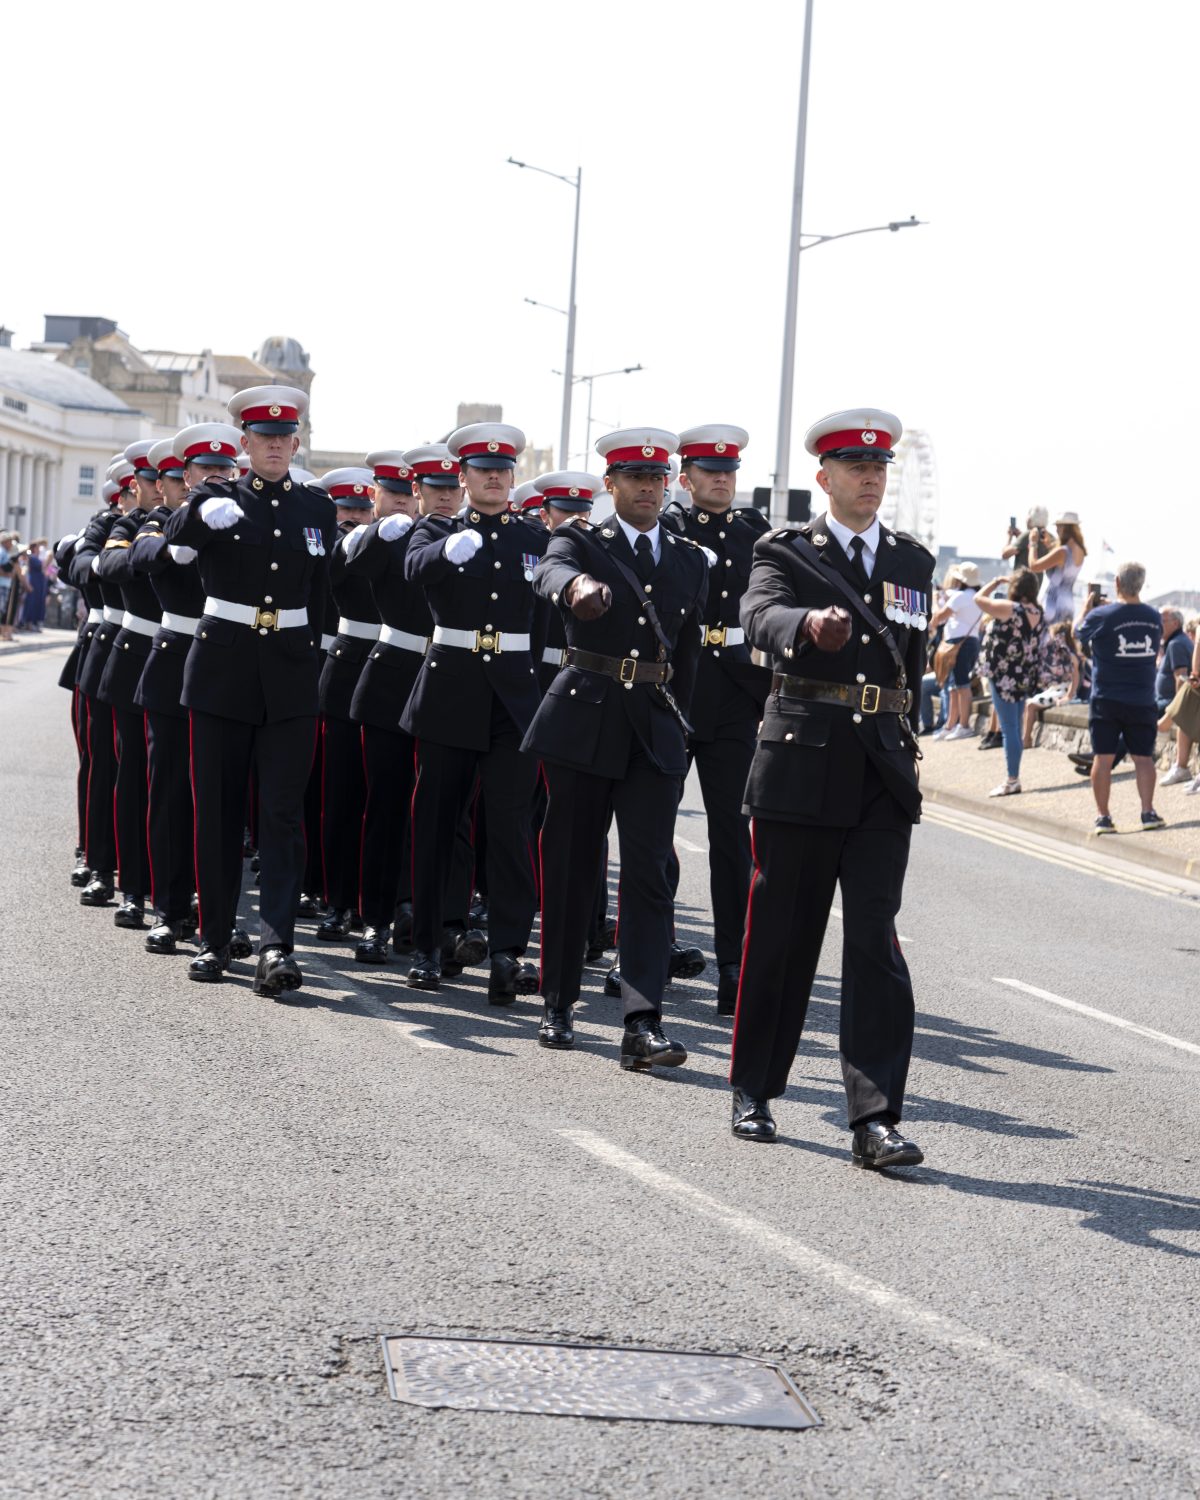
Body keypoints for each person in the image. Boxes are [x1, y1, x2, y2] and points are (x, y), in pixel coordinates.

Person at [729, 408, 932, 1169]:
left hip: (880, 769)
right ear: (825, 478)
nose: (871, 478)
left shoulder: (911, 560)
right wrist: (805, 624)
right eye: (855, 467)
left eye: (878, 467)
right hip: (803, 760)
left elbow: (910, 659)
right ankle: (755, 1089)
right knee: (784, 932)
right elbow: (757, 614)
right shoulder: (785, 550)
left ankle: (875, 1119)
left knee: (875, 941)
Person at [526, 428, 707, 1066]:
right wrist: (574, 589)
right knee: (572, 863)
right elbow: (550, 571)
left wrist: (682, 730)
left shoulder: (689, 559)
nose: (648, 489)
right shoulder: (579, 540)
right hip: (585, 716)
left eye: (658, 479)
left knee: (649, 875)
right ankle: (557, 1000)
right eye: (635, 479)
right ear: (611, 485)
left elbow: (685, 657)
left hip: (653, 727)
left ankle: (643, 1021)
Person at [163, 384, 337, 992]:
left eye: (284, 438)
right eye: (263, 438)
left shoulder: (314, 508)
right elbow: (172, 559)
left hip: (289, 674)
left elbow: (322, 595)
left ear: (295, 443)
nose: (274, 447)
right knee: (217, 810)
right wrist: (194, 517)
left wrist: (314, 657)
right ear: (245, 443)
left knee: (282, 816)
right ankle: (214, 938)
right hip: (222, 671)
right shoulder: (215, 498)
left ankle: (277, 946)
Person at [401, 421, 548, 1001]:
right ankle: (434, 943)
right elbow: (413, 571)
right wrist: (443, 550)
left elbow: (545, 618)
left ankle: (509, 951)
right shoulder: (435, 531)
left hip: (512, 696)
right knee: (440, 822)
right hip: (449, 689)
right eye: (483, 471)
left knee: (511, 827)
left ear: (513, 478)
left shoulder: (534, 538)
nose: (494, 478)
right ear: (462, 478)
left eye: (503, 470)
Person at [658, 424, 770, 1015]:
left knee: (733, 838)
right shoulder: (667, 530)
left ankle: (734, 964)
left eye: (729, 471)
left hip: (731, 695)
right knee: (654, 828)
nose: (722, 480)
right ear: (686, 479)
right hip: (674, 688)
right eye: (709, 471)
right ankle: (650, 948)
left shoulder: (755, 533)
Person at [129, 426, 246, 956]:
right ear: (178, 480)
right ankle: (170, 907)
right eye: (201, 473)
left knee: (228, 801)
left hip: (235, 666)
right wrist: (175, 546)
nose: (214, 479)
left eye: (225, 471)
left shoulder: (245, 518)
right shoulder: (162, 521)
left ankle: (220, 912)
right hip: (177, 660)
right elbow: (136, 555)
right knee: (172, 795)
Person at [94, 439, 169, 928]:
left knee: (177, 787)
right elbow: (108, 566)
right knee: (129, 777)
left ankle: (178, 892)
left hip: (190, 657)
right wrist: (154, 548)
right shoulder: (125, 526)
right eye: (154, 482)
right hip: (135, 652)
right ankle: (128, 883)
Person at [311, 467, 381, 941]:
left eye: (362, 508)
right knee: (337, 794)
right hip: (342, 664)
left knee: (384, 801)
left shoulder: (407, 540)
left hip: (402, 673)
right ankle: (334, 896)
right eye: (346, 509)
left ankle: (380, 904)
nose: (354, 517)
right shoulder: (336, 548)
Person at [1076, 561, 1165, 833]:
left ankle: (1103, 817)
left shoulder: (1102, 615)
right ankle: (1147, 812)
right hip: (1142, 698)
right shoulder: (1154, 616)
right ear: (1141, 584)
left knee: (1103, 759)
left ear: (1117, 583)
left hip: (1107, 698)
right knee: (1143, 758)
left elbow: (1077, 633)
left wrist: (1087, 609)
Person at [975, 569, 1044, 796]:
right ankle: (1013, 776)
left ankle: (1012, 779)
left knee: (1009, 729)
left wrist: (995, 581)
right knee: (1014, 726)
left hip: (1003, 675)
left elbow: (979, 599)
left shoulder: (1010, 609)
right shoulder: (1037, 611)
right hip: (1023, 675)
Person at [928, 561, 982, 740]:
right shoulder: (976, 597)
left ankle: (963, 725)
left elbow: (938, 618)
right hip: (968, 642)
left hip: (958, 643)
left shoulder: (960, 597)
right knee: (954, 686)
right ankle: (951, 725)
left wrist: (936, 602)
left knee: (960, 685)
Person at [1023, 619, 1082, 745]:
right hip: (1056, 689)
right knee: (1028, 703)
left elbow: (1075, 675)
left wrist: (1069, 696)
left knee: (1030, 705)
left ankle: (1026, 739)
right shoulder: (1061, 652)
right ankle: (1025, 737)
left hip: (1063, 690)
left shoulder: (1068, 654)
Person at [1157, 608, 1195, 785]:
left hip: (1167, 701)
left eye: (1163, 621)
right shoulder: (1178, 642)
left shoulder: (1176, 644)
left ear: (1175, 623)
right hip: (1169, 700)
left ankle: (1106, 757)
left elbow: (1182, 677)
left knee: (1136, 719)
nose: (1159, 625)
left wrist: (1174, 709)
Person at [1027, 511, 1087, 624]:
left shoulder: (1062, 552)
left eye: (1058, 526)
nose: (1056, 530)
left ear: (1065, 528)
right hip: (1068, 605)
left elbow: (1034, 566)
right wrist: (1050, 545)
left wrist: (1033, 543)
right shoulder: (1080, 551)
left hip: (1051, 605)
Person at [1001, 506, 1052, 572]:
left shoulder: (1029, 534)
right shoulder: (1048, 536)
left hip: (1022, 580)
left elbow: (1005, 554)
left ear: (1030, 519)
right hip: (1036, 581)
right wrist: (1020, 537)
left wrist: (1009, 537)